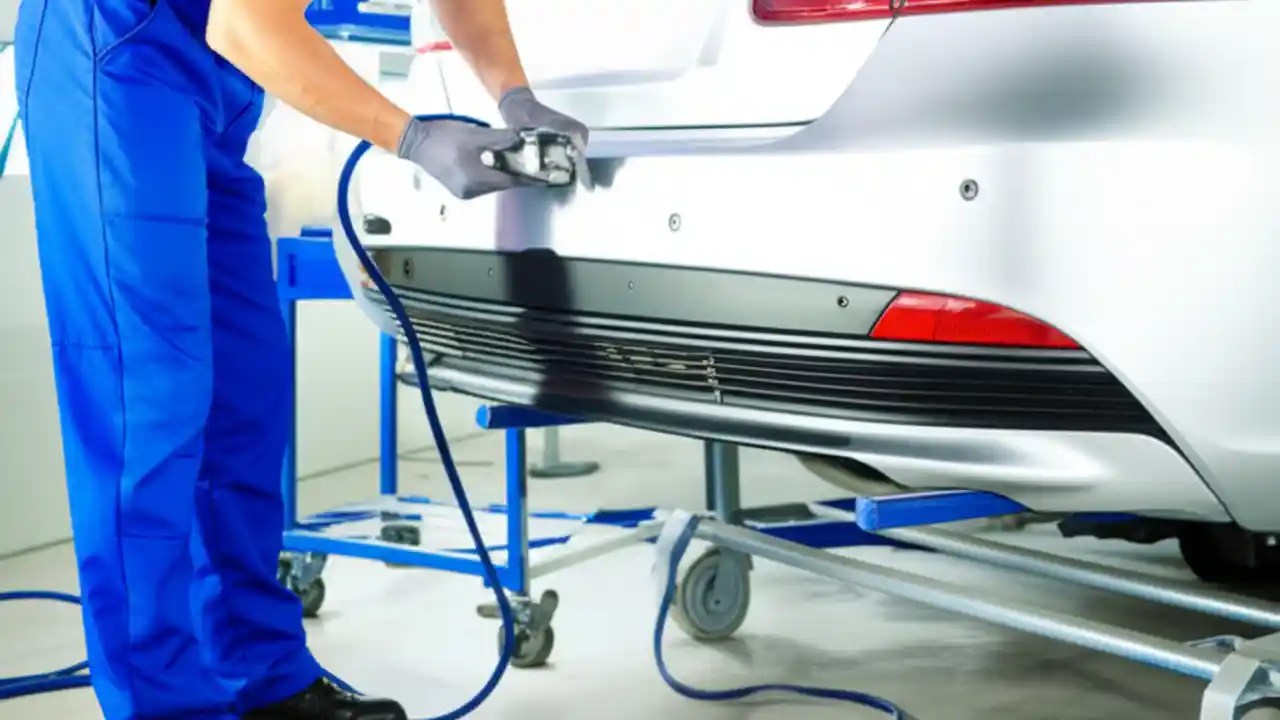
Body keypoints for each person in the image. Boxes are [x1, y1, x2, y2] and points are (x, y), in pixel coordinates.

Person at [11, 0, 587, 717]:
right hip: (114, 51)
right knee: (146, 399)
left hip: (214, 78)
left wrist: (514, 94)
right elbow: (247, 22)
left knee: (244, 396)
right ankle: (162, 703)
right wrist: (411, 138)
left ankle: (263, 675)